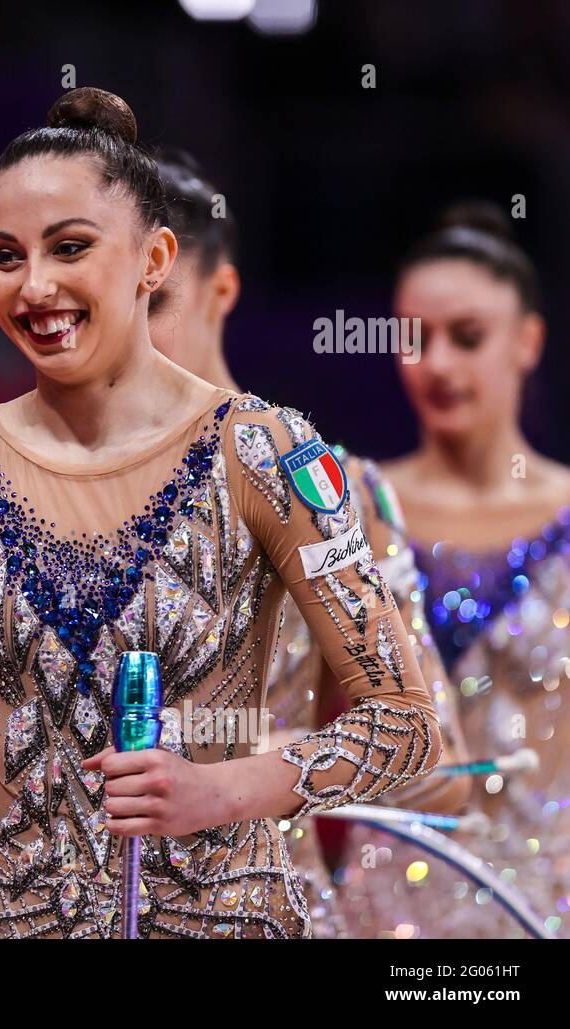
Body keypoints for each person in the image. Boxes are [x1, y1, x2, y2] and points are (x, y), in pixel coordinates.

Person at [0, 87, 442, 939]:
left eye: (70, 247)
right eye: (4, 255)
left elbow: (405, 721)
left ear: (154, 259)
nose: (35, 286)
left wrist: (223, 788)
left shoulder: (265, 452)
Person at [148, 150, 471, 938]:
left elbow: (444, 767)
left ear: (221, 289)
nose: (124, 335)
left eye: (152, 301)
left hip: (267, 911)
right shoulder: (37, 485)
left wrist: (242, 759)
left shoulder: (329, 486)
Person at [331, 203, 570, 938]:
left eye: (467, 338)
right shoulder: (352, 502)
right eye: (415, 338)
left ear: (528, 340)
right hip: (387, 903)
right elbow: (293, 720)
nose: (437, 364)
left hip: (545, 897)